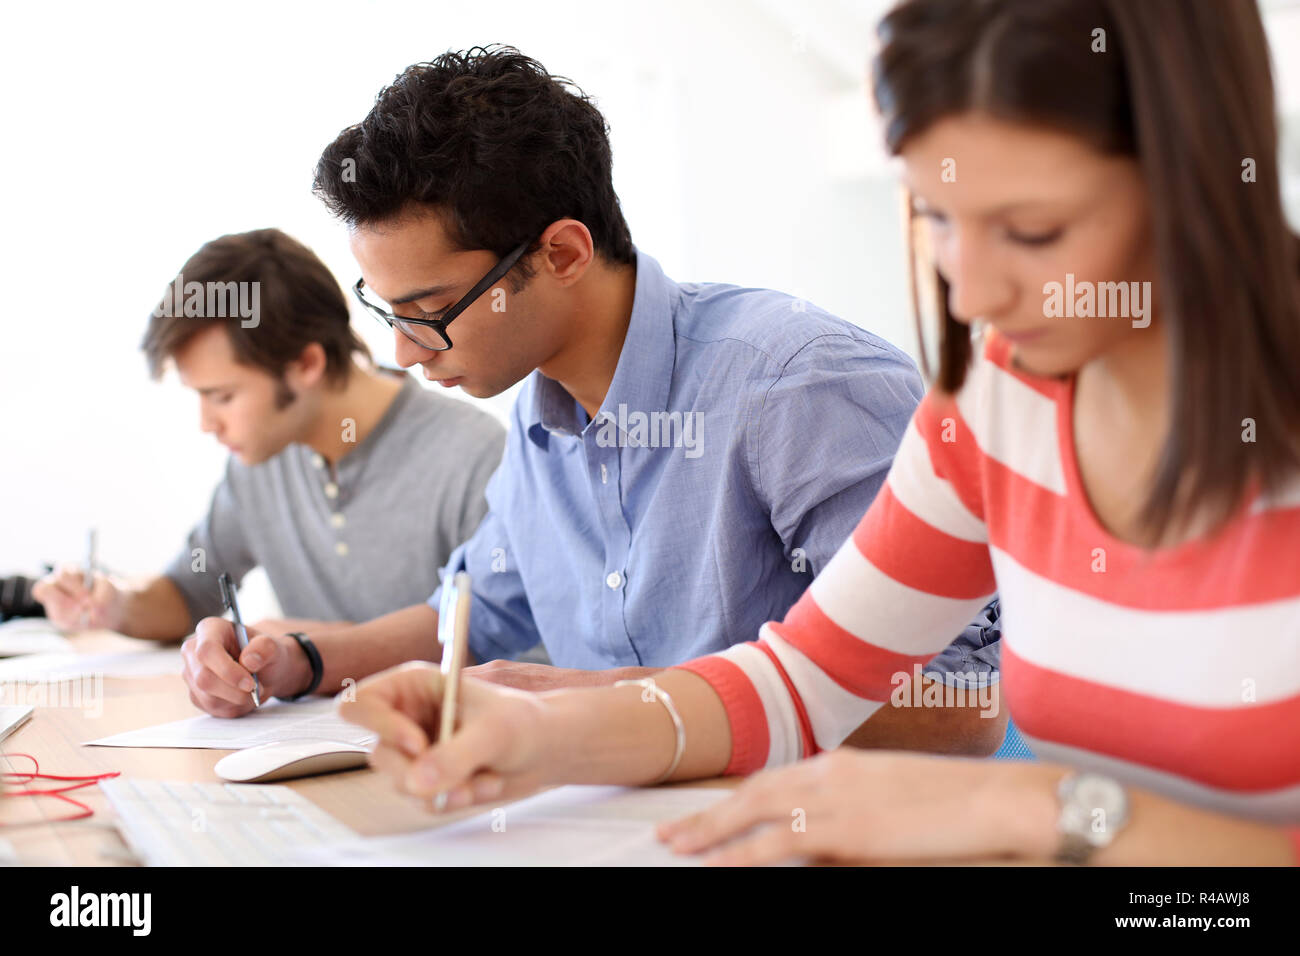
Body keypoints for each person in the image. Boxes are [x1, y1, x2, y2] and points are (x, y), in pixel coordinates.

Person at [341, 0, 1300, 865]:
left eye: (1034, 231)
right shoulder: (999, 403)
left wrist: (1041, 809)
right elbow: (809, 676)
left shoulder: (799, 375)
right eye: (936, 217)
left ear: (1201, 172)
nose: (970, 293)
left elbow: (980, 729)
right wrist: (539, 738)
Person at [182, 46, 1004, 755]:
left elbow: (962, 704)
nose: (401, 352)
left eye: (432, 315)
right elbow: (470, 617)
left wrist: (604, 705)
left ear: (564, 253)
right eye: (389, 314)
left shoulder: (796, 383)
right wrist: (297, 659)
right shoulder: (540, 416)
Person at [33, 229, 505, 701]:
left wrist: (304, 650)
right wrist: (115, 602)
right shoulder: (262, 456)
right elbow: (188, 592)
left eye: (222, 396)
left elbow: (511, 651)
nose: (206, 424)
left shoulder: (475, 458)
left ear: (305, 363)